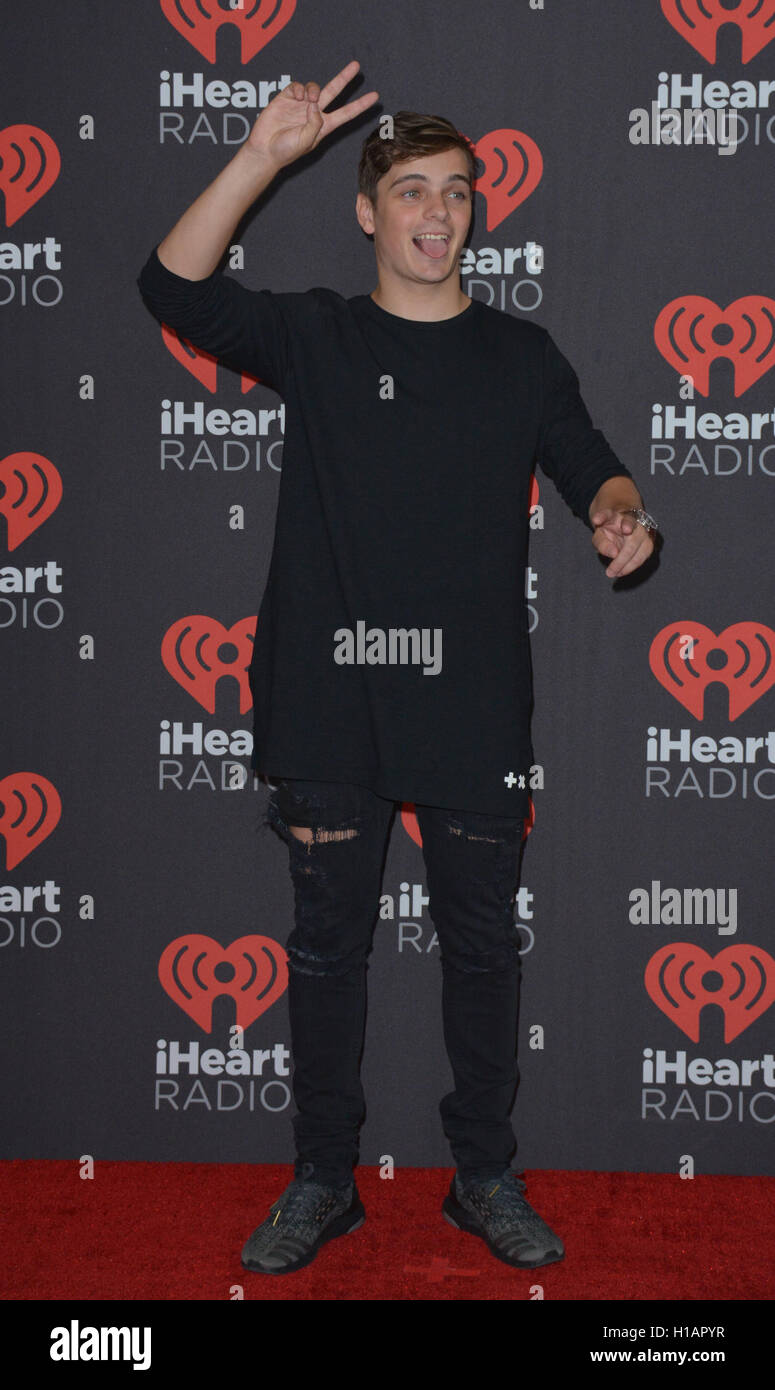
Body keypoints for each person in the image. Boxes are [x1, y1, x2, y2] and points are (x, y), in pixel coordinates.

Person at [137, 61, 657, 1276]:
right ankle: (324, 1178)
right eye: (410, 190)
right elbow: (171, 283)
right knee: (324, 952)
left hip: (473, 705)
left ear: (477, 210)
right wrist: (263, 156)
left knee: (485, 953)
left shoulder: (522, 356)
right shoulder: (312, 335)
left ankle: (482, 1176)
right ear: (366, 210)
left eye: (457, 192)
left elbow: (598, 466)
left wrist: (624, 519)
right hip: (327, 698)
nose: (437, 213)